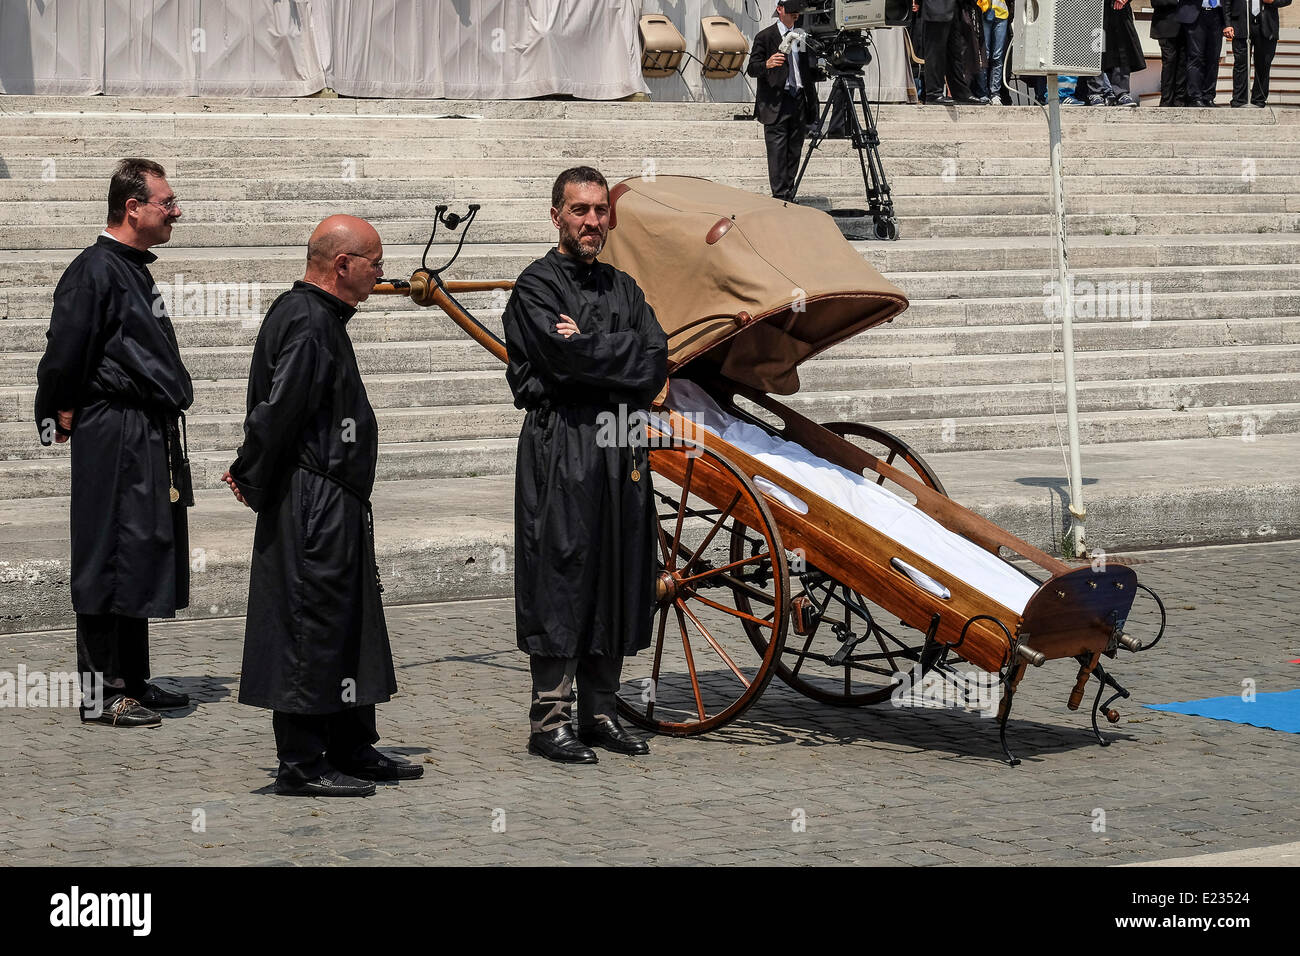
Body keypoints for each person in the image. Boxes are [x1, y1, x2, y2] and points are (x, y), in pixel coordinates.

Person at [223, 215, 416, 798]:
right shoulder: (307, 321)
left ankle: (351, 743)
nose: (382, 273)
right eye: (374, 262)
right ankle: (302, 764)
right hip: (313, 500)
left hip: (337, 496)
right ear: (342, 265)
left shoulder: (320, 316)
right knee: (312, 621)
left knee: (348, 619)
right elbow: (278, 413)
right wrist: (250, 470)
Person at [503, 166, 668, 764]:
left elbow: (655, 357)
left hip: (621, 440)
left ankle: (601, 711)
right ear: (556, 216)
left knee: (620, 568)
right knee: (563, 566)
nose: (592, 222)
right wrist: (605, 351)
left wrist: (589, 345)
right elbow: (560, 361)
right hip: (564, 441)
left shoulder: (624, 286)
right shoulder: (535, 287)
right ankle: (550, 719)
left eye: (600, 210)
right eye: (580, 211)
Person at [34, 157, 194, 729]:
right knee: (108, 552)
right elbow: (64, 352)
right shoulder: (94, 270)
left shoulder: (132, 268)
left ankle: (134, 681)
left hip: (143, 428)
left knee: (140, 546)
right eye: (166, 202)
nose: (175, 212)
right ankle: (103, 694)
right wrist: (58, 411)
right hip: (113, 429)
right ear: (133, 207)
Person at [747, 1, 820, 201]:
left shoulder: (801, 36)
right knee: (777, 152)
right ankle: (779, 196)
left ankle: (789, 192)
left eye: (798, 12)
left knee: (794, 149)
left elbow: (804, 69)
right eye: (792, 11)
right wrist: (767, 63)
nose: (796, 15)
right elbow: (752, 68)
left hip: (798, 99)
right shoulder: (765, 36)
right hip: (776, 101)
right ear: (780, 10)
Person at [1076, 0, 1147, 106]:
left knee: (1121, 51)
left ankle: (1122, 93)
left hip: (1120, 10)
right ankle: (1096, 93)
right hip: (1095, 8)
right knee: (1096, 50)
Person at [915, 0, 986, 105]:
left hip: (954, 7)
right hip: (936, 7)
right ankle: (934, 93)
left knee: (955, 52)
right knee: (935, 52)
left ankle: (960, 92)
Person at [1228, 0, 1292, 107]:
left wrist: (1273, 1)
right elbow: (1227, 3)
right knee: (1241, 64)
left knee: (1264, 65)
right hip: (1241, 24)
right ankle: (1239, 100)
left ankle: (1258, 100)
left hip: (1267, 26)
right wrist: (1227, 23)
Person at [1152, 0, 1200, 106]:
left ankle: (1180, 99)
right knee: (1169, 61)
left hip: (1186, 26)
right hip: (1165, 25)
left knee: (1183, 62)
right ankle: (1166, 99)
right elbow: (1155, 2)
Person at [1186, 0, 1229, 105]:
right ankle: (1195, 97)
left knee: (1213, 58)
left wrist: (1228, 23)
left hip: (1217, 14)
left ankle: (1208, 96)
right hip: (1197, 14)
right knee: (1196, 57)